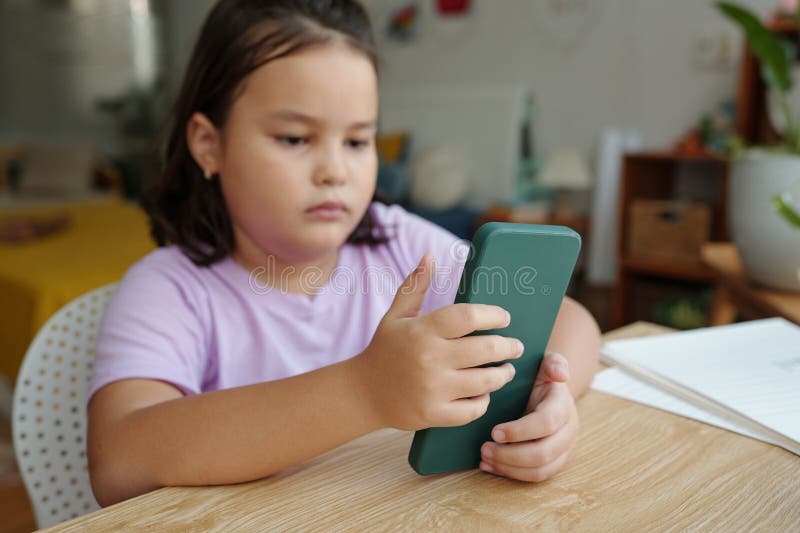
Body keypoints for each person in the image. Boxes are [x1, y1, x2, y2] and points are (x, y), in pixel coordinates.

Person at [87, 0, 601, 507]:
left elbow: (571, 319)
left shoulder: (396, 242)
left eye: (357, 141)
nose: (334, 170)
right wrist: (364, 391)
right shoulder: (170, 287)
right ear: (208, 143)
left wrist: (548, 400)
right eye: (294, 138)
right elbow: (119, 462)